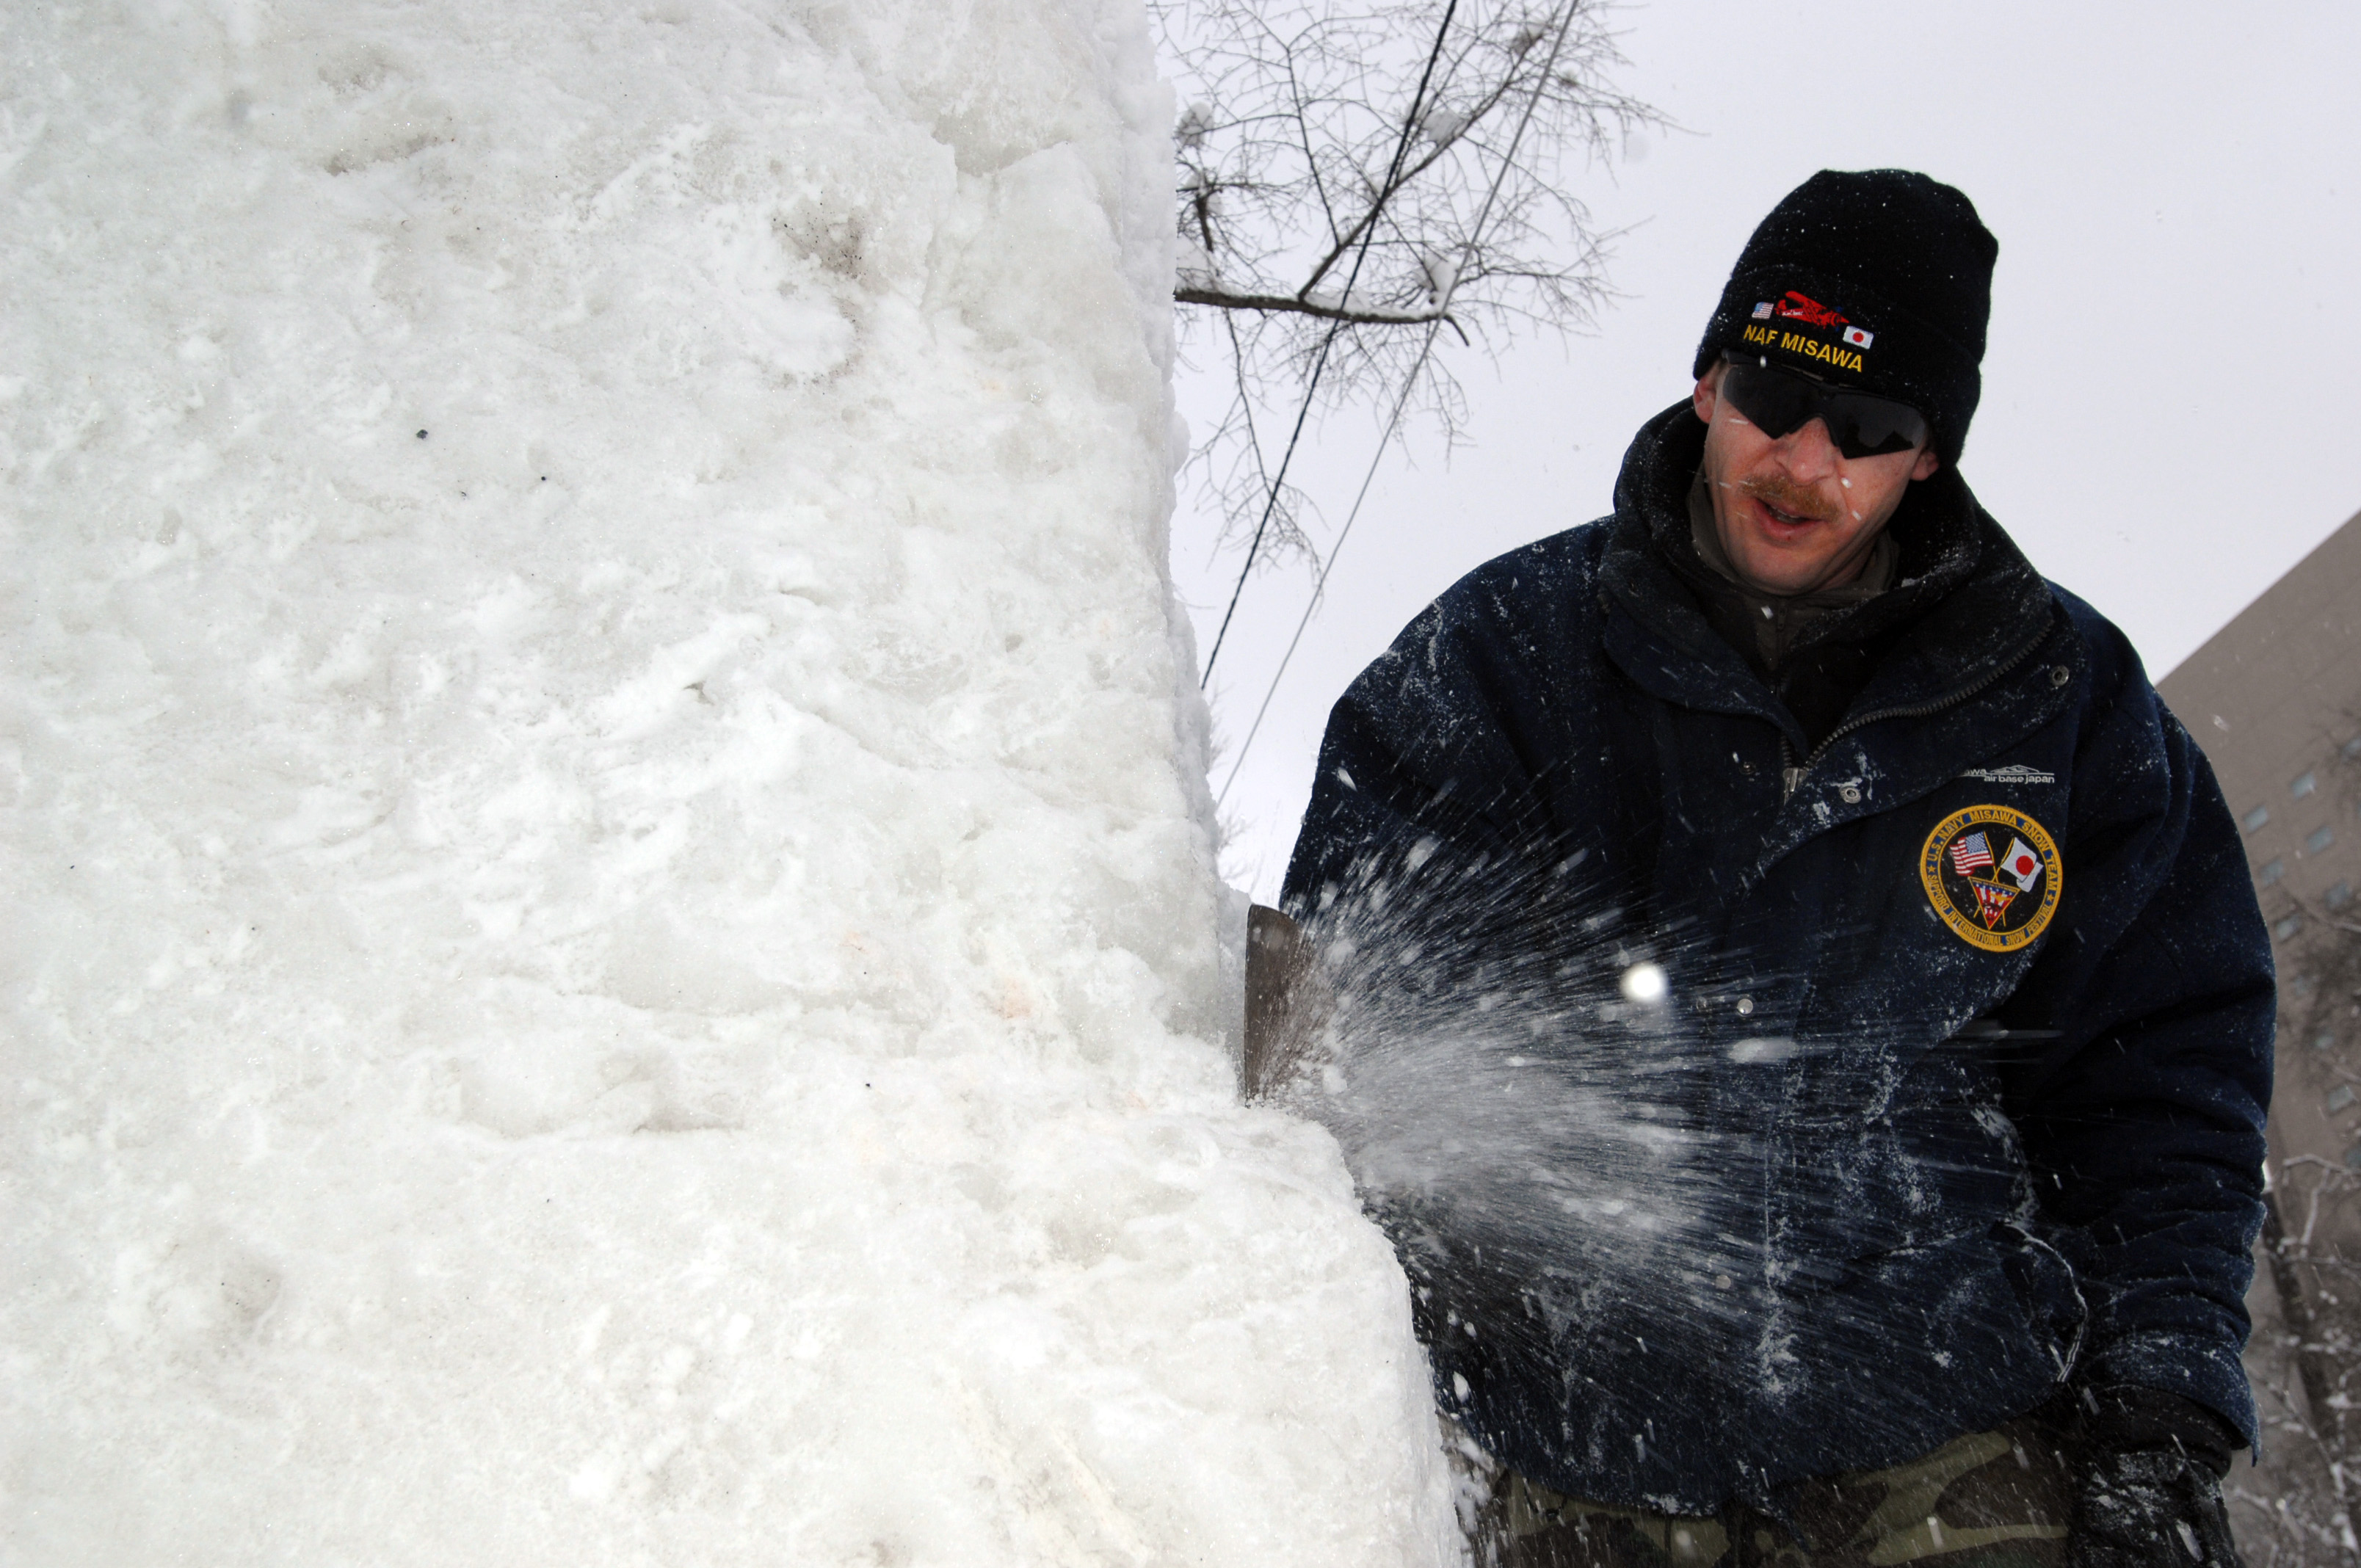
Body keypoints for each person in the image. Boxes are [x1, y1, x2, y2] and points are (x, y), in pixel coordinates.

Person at [1261, 170, 2272, 1566]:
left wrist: (2160, 1420)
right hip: (1569, 1450)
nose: (1803, 461)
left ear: (1929, 456)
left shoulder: (2063, 703)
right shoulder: (1501, 658)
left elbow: (2164, 1086)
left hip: (1947, 1431)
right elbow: (1346, 1042)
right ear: (1706, 384)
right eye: (1772, 397)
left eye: (1866, 427)